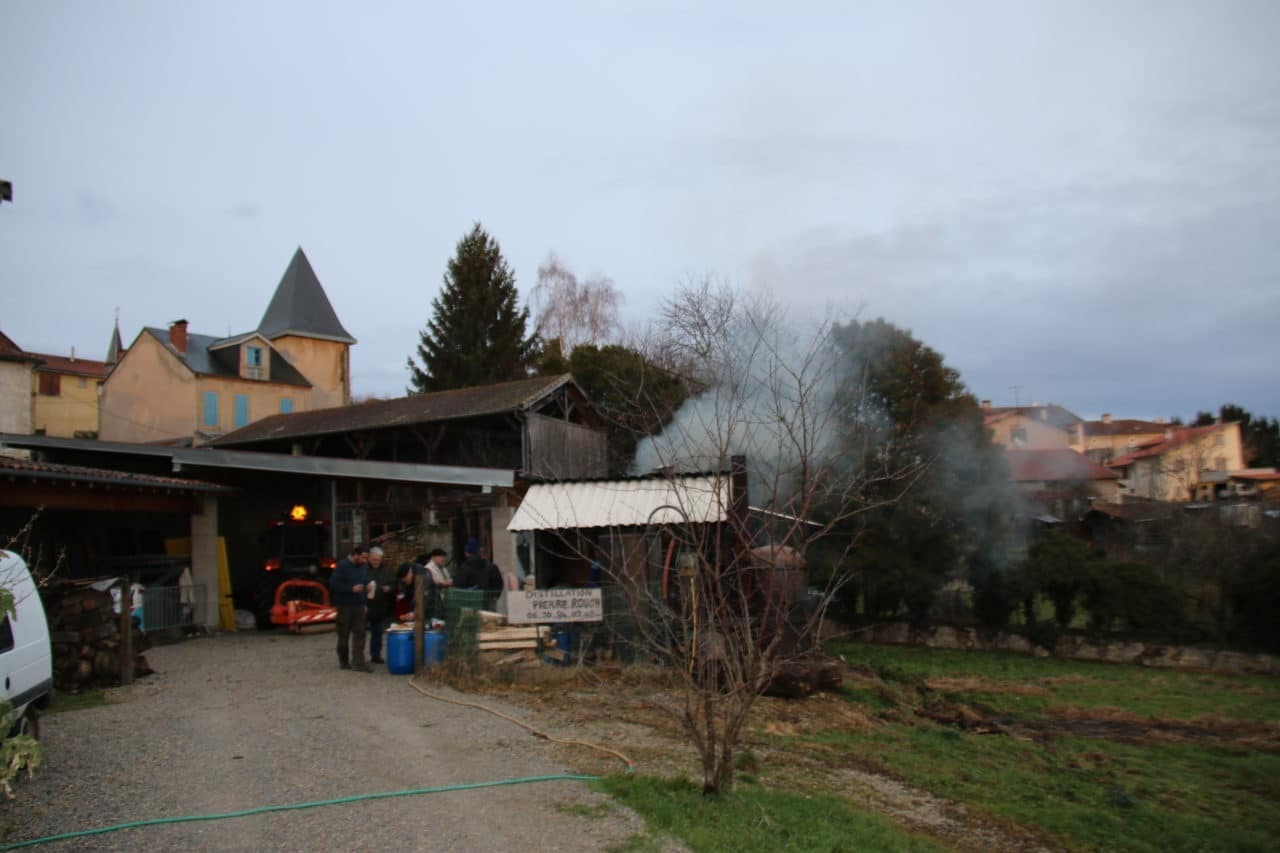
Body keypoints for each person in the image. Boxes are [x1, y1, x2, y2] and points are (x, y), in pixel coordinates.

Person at [330, 545, 370, 671]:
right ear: (355, 555)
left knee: (360, 633)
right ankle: (344, 661)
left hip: (359, 605)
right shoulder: (342, 566)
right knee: (344, 634)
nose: (365, 560)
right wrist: (350, 589)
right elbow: (334, 584)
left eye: (366, 558)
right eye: (363, 558)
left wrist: (365, 599)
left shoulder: (363, 567)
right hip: (344, 605)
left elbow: (364, 582)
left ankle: (358, 663)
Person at [365, 547, 397, 665]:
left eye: (378, 560)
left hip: (380, 605)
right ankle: (358, 657)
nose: (376, 562)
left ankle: (376, 655)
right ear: (369, 558)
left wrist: (389, 588)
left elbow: (394, 584)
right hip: (365, 605)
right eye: (374, 559)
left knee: (377, 632)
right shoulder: (363, 570)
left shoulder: (386, 571)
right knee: (360, 633)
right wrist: (364, 588)